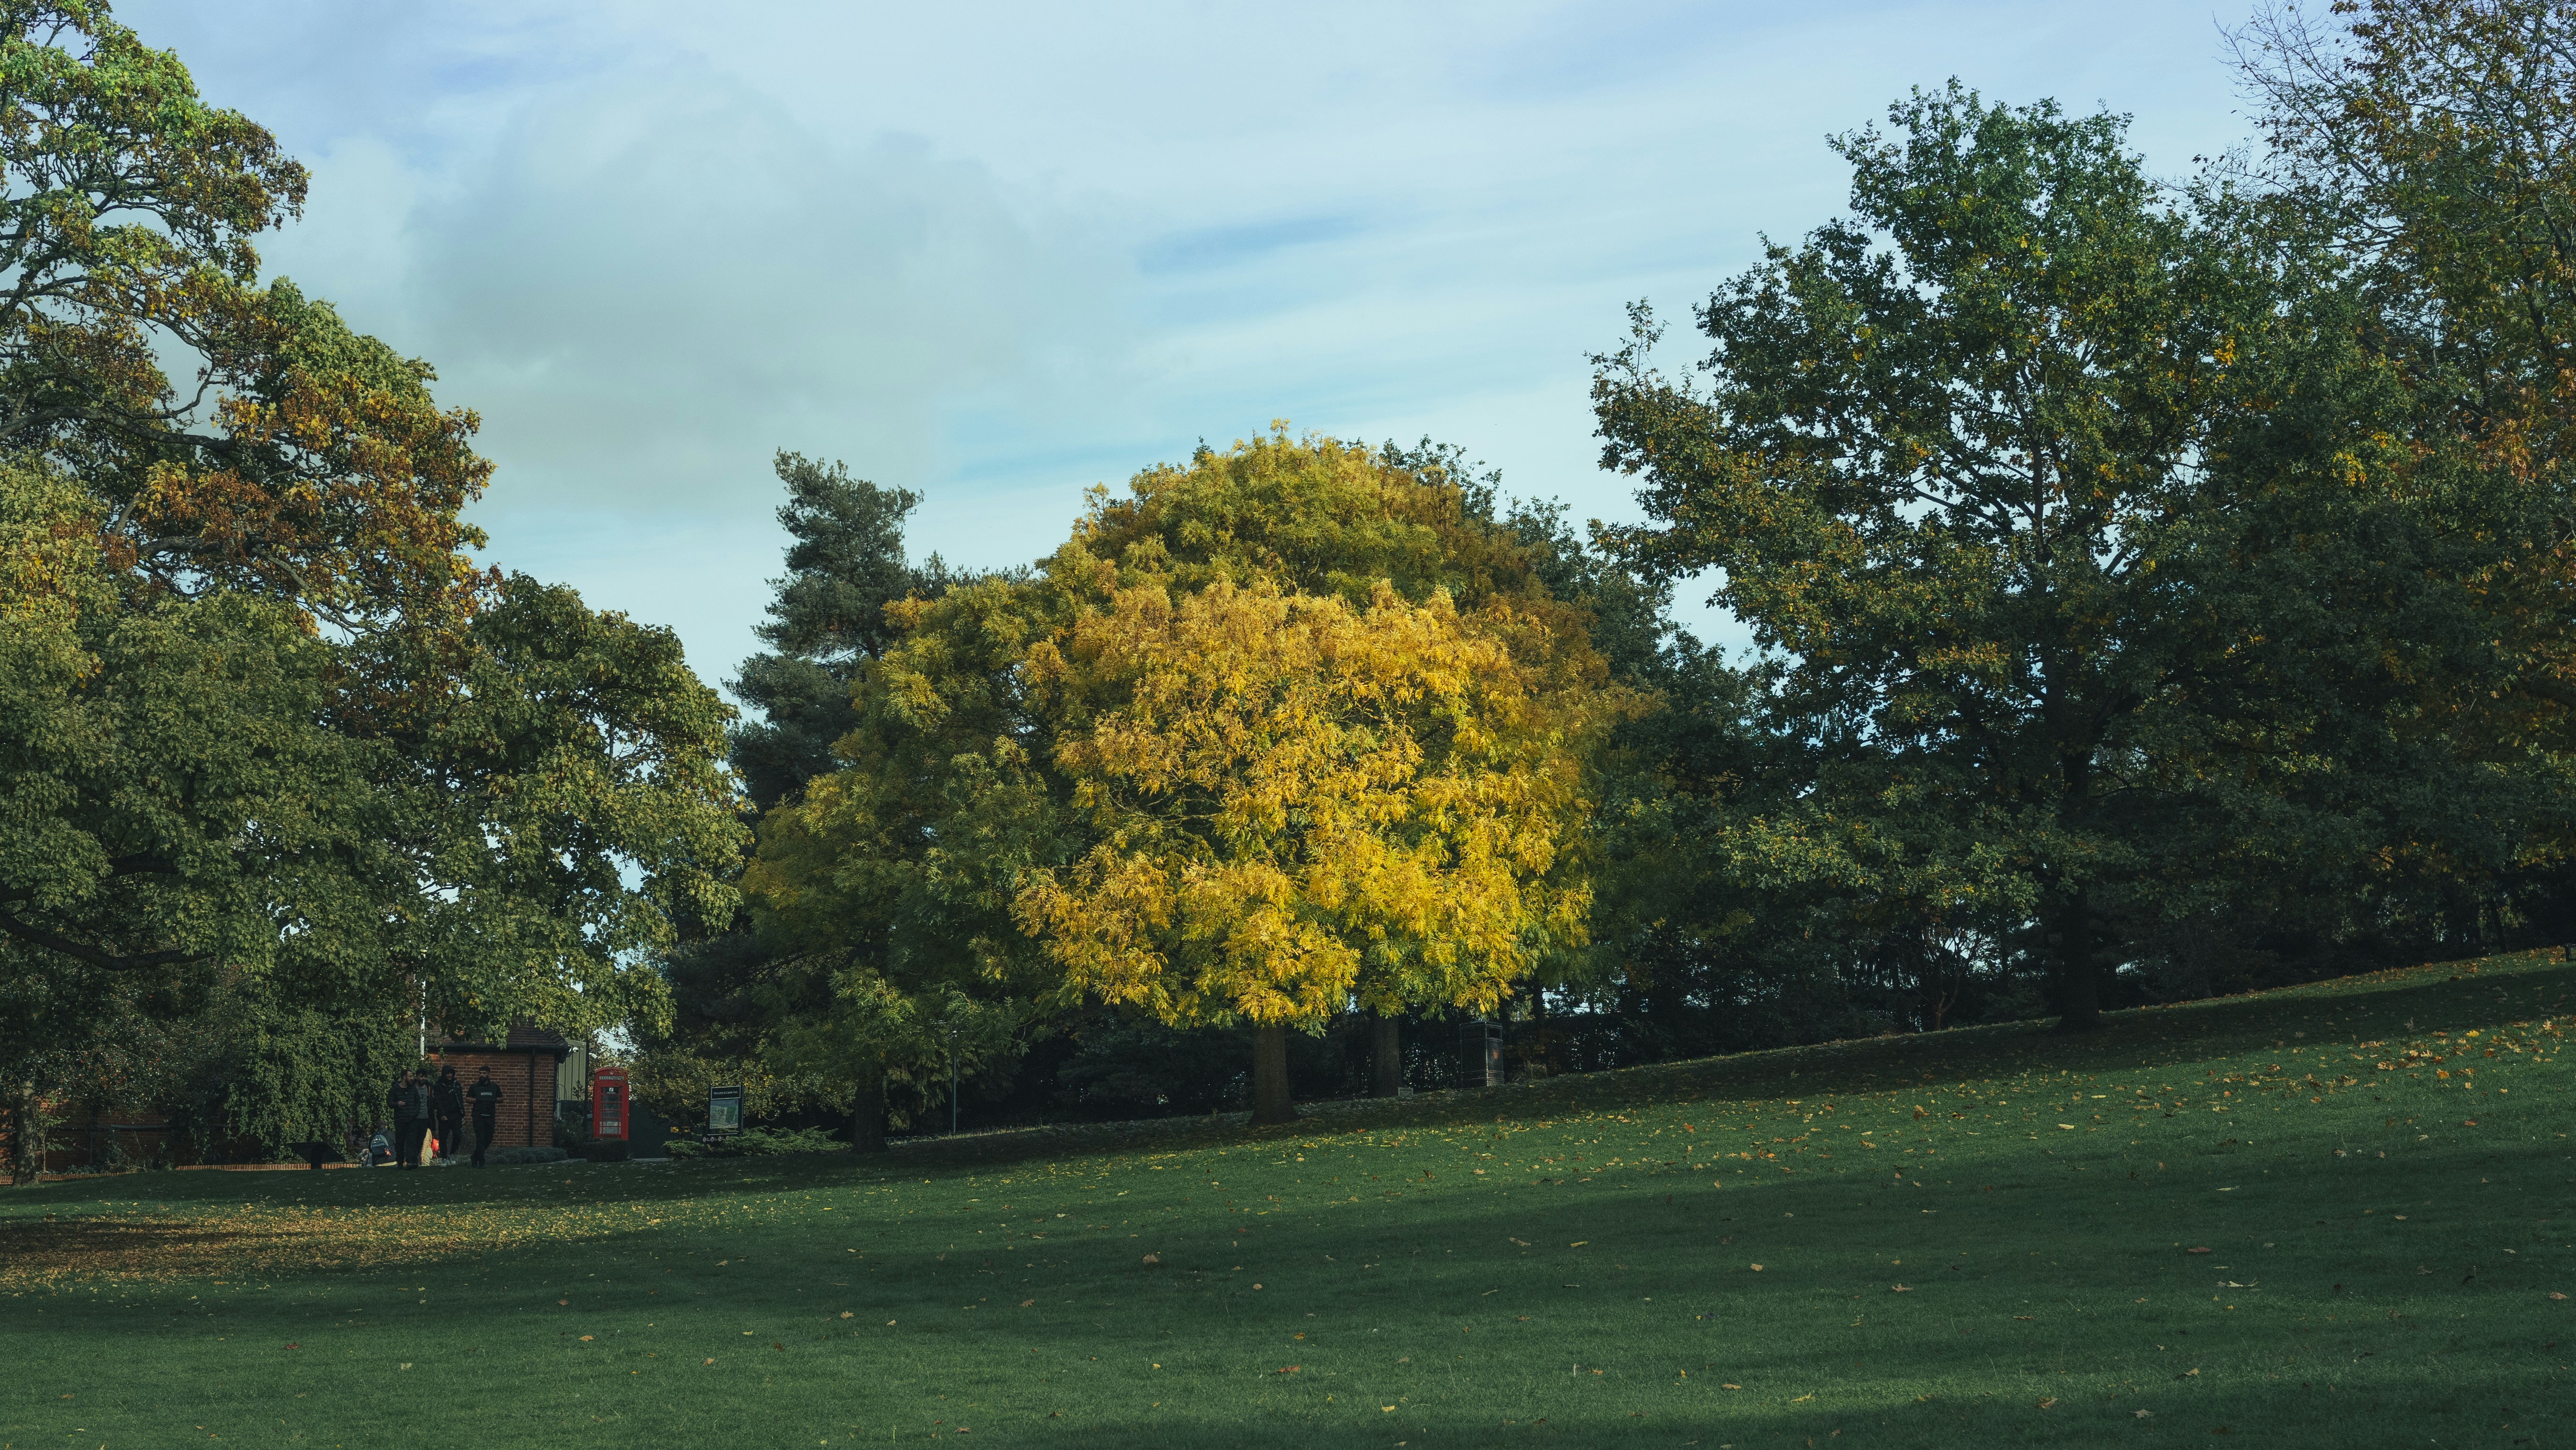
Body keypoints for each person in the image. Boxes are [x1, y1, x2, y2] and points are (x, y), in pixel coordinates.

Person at [467, 1067, 502, 1167]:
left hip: (490, 1116)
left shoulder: (494, 1087)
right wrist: (478, 1100)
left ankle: (475, 1156)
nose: (482, 1075)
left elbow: (501, 1099)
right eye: (480, 1073)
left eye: (484, 1073)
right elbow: (468, 1099)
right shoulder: (474, 1087)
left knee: (489, 1139)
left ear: (489, 1074)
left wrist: (493, 1099)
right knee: (480, 1139)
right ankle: (481, 1162)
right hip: (478, 1116)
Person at [387, 1070, 422, 1170]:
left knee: (411, 1141)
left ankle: (411, 1162)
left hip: (412, 1119)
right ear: (404, 1077)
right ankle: (400, 1162)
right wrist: (397, 1104)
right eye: (410, 1076)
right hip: (400, 1120)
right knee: (400, 1141)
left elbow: (418, 1102)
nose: (412, 1078)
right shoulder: (395, 1089)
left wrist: (415, 1113)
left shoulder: (413, 1089)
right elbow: (390, 1102)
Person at [432, 1066, 465, 1165]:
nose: (450, 1075)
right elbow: (437, 1101)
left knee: (458, 1134)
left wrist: (462, 1114)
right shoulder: (438, 1086)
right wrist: (442, 1114)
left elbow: (460, 1100)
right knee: (443, 1138)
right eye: (447, 1073)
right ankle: (444, 1157)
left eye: (451, 1073)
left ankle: (452, 1153)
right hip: (444, 1115)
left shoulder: (457, 1085)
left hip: (456, 1115)